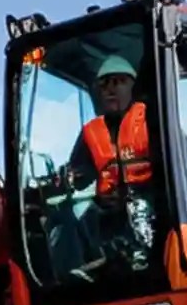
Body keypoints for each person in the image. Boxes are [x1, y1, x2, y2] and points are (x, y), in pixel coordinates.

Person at [63, 54, 156, 274]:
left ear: (133, 86)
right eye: (104, 84)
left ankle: (142, 261)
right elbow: (79, 174)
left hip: (148, 203)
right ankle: (82, 275)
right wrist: (69, 179)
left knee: (140, 211)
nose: (110, 89)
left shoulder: (151, 119)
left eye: (119, 82)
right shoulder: (91, 132)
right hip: (108, 212)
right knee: (73, 222)